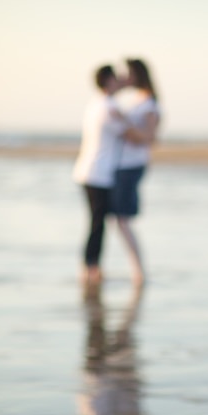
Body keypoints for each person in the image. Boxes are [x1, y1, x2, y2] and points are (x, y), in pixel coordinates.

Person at [73, 64, 126, 285]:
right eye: (115, 78)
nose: (119, 81)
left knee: (96, 221)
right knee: (97, 222)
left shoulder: (95, 103)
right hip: (98, 173)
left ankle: (90, 266)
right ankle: (91, 268)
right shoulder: (109, 106)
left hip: (88, 170)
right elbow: (131, 133)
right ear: (107, 81)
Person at [112, 58, 160, 285]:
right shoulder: (135, 99)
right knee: (119, 219)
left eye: (127, 74)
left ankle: (138, 271)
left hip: (132, 166)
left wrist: (123, 125)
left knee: (122, 219)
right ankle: (137, 269)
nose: (124, 78)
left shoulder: (149, 102)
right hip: (122, 164)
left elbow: (149, 138)